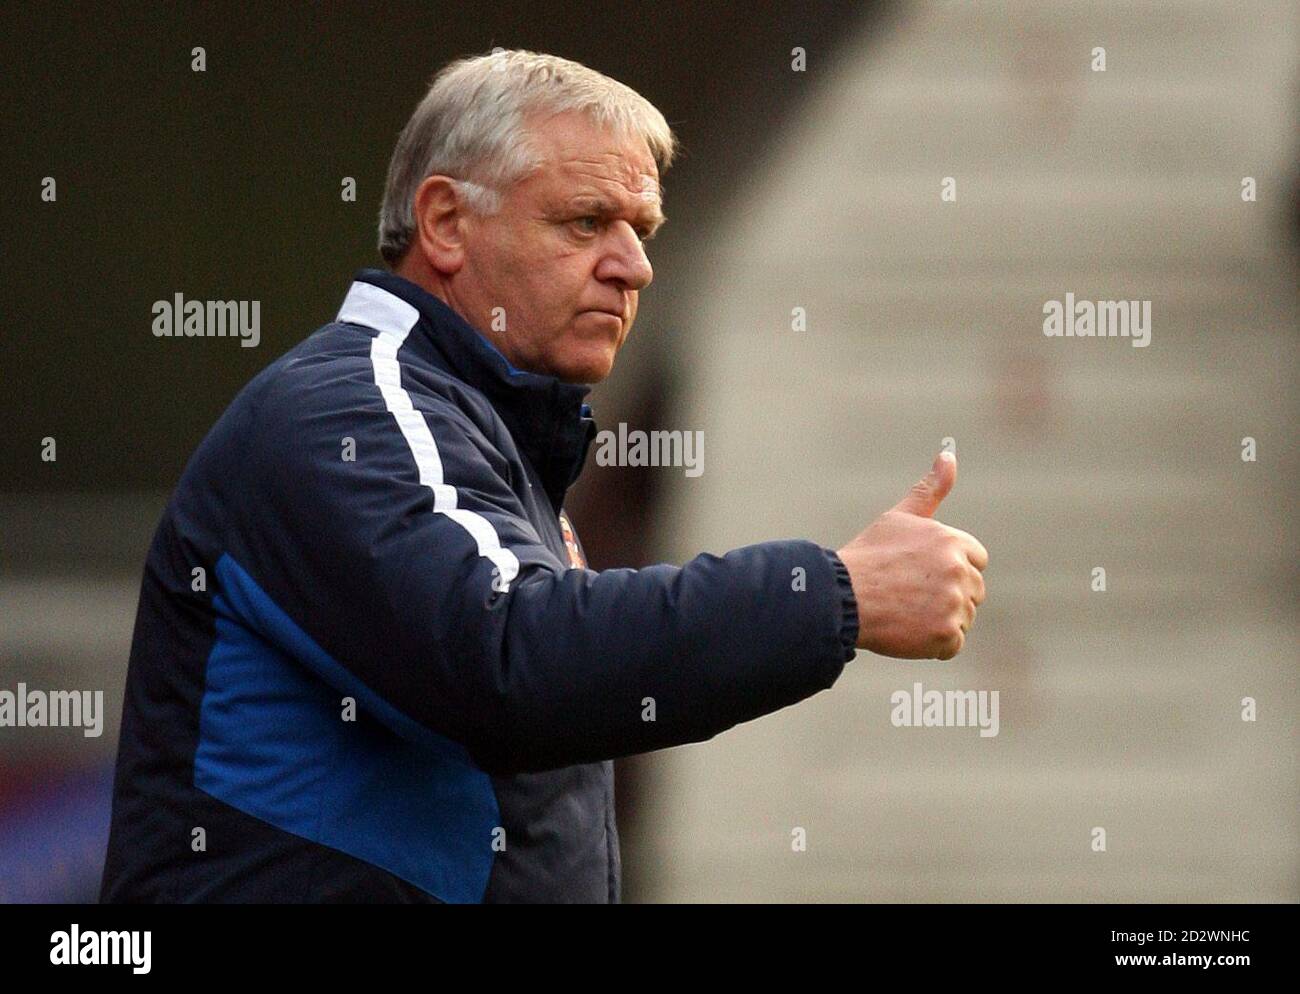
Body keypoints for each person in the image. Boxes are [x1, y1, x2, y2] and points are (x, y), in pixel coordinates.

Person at [100, 49, 987, 904]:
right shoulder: (351, 410)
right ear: (445, 222)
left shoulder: (484, 438)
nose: (633, 265)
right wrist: (832, 594)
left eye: (641, 233)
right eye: (585, 222)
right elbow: (506, 661)